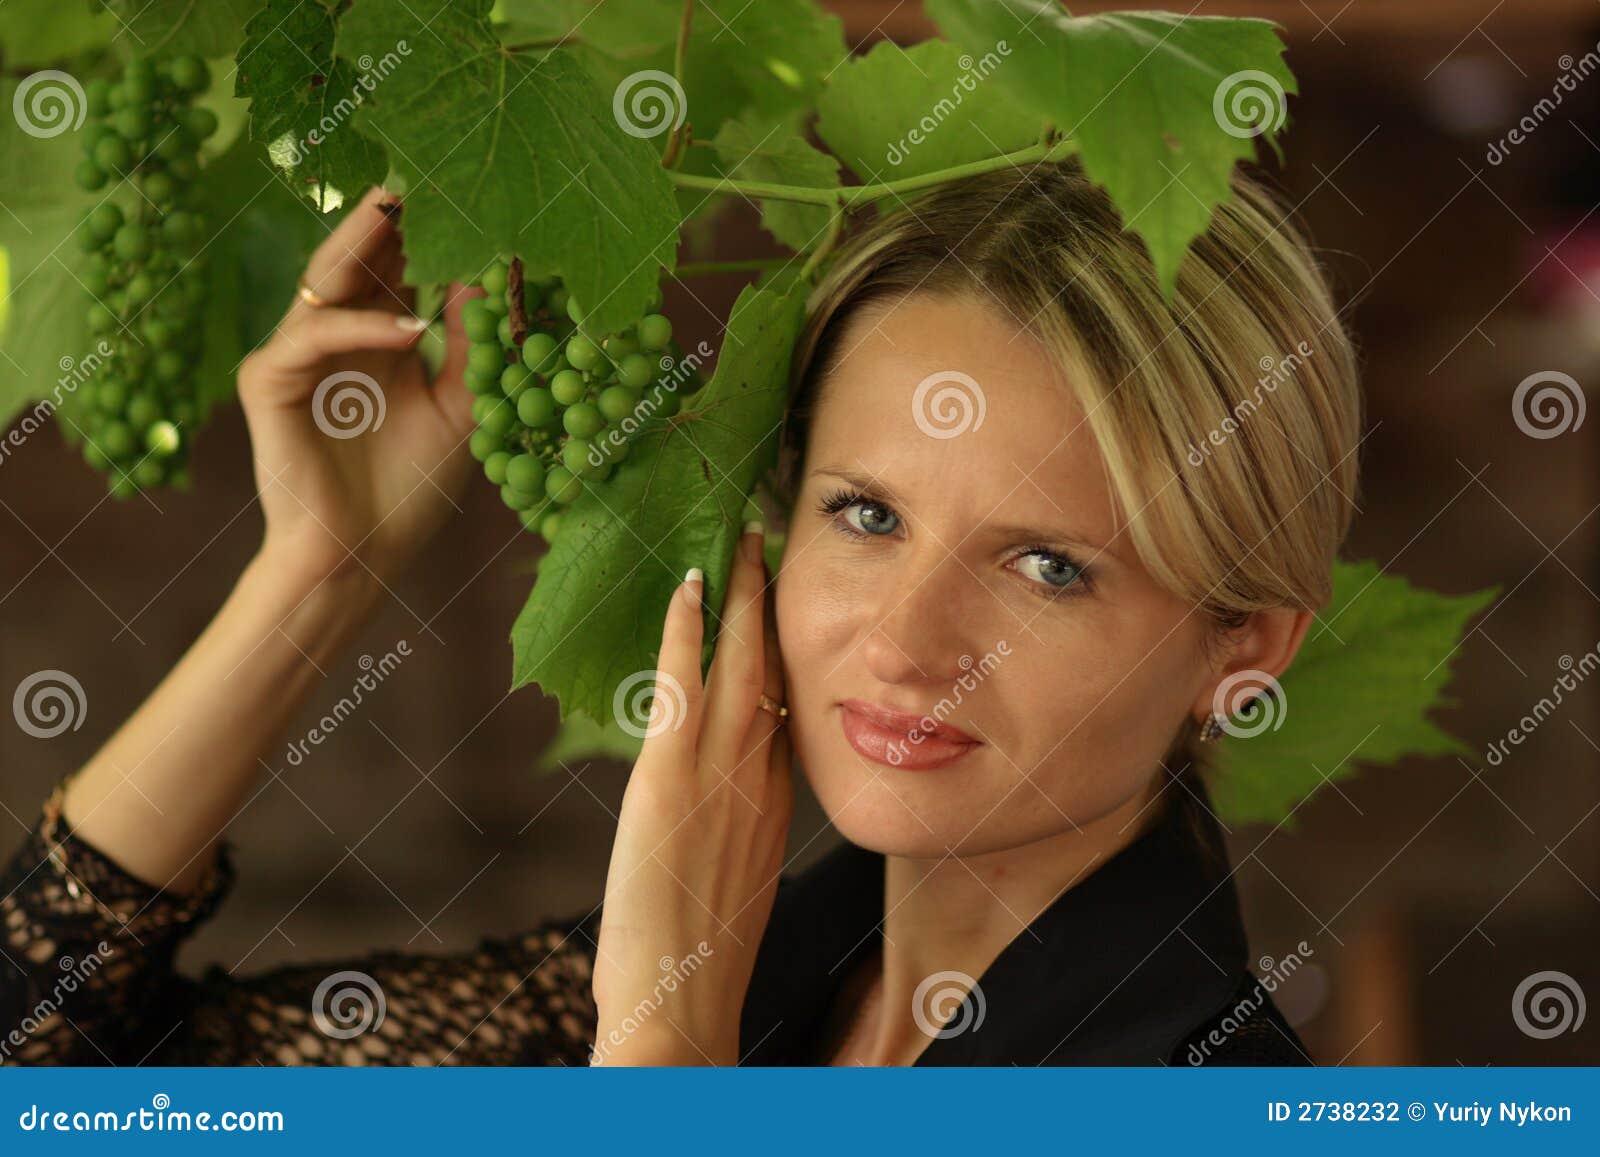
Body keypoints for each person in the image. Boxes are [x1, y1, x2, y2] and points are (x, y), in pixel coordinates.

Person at [0, 158, 1357, 1067]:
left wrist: (664, 1058)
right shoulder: (775, 963)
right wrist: (316, 578)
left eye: (1048, 565)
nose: (902, 644)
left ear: (1242, 649)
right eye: (867, 514)